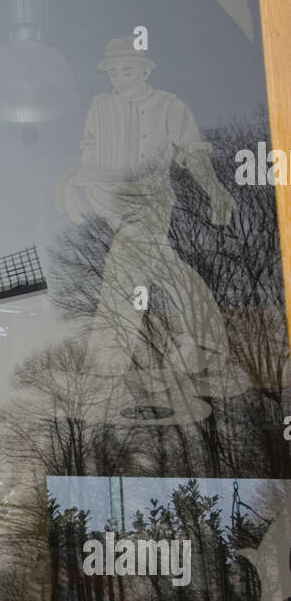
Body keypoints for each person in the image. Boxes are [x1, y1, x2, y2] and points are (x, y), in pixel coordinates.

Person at [55, 39, 239, 425]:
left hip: (154, 201)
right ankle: (208, 351)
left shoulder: (170, 106)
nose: (120, 78)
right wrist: (79, 183)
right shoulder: (100, 106)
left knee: (122, 277)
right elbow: (90, 154)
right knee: (164, 266)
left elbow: (193, 152)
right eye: (114, 72)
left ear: (145, 70)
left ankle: (104, 377)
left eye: (128, 70)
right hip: (112, 203)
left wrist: (215, 190)